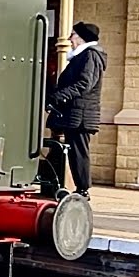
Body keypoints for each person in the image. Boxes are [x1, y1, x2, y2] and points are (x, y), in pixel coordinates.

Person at [46, 21, 106, 199]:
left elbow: (84, 84)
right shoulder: (83, 56)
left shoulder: (91, 56)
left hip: (80, 115)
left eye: (72, 35)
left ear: (81, 38)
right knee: (65, 148)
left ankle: (82, 189)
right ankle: (53, 182)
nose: (70, 39)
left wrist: (59, 96)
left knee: (79, 151)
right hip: (72, 113)